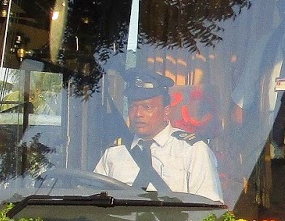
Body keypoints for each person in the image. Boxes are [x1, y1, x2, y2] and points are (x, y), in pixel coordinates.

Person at [93, 70, 222, 201]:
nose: (138, 114)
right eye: (133, 107)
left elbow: (208, 206)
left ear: (166, 112)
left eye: (147, 107)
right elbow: (92, 200)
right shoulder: (114, 152)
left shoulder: (193, 150)